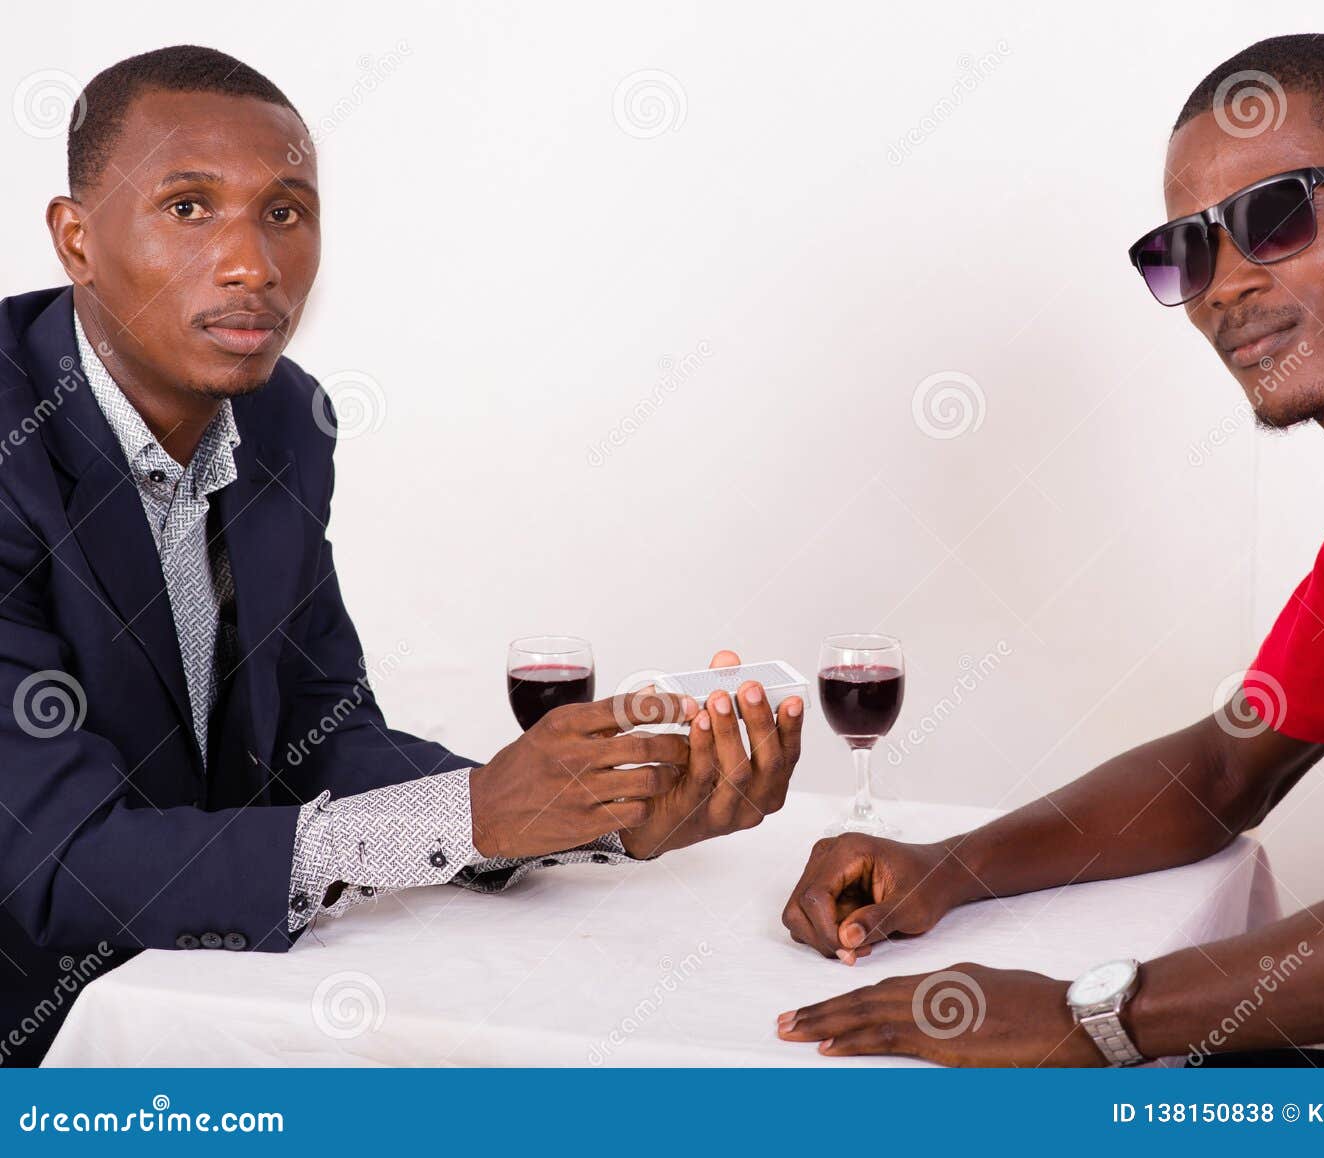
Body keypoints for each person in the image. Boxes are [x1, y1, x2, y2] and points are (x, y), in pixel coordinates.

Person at [776, 33, 1324, 1067]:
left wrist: (1093, 1017)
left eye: (1276, 216)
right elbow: (1223, 766)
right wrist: (948, 867)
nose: (1222, 286)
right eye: (1187, 251)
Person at [0, 45, 804, 1068]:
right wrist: (476, 814)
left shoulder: (285, 418)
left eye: (286, 211)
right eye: (189, 207)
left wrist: (587, 811)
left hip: (210, 997)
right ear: (76, 238)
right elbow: (61, 863)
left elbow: (321, 734)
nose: (253, 263)